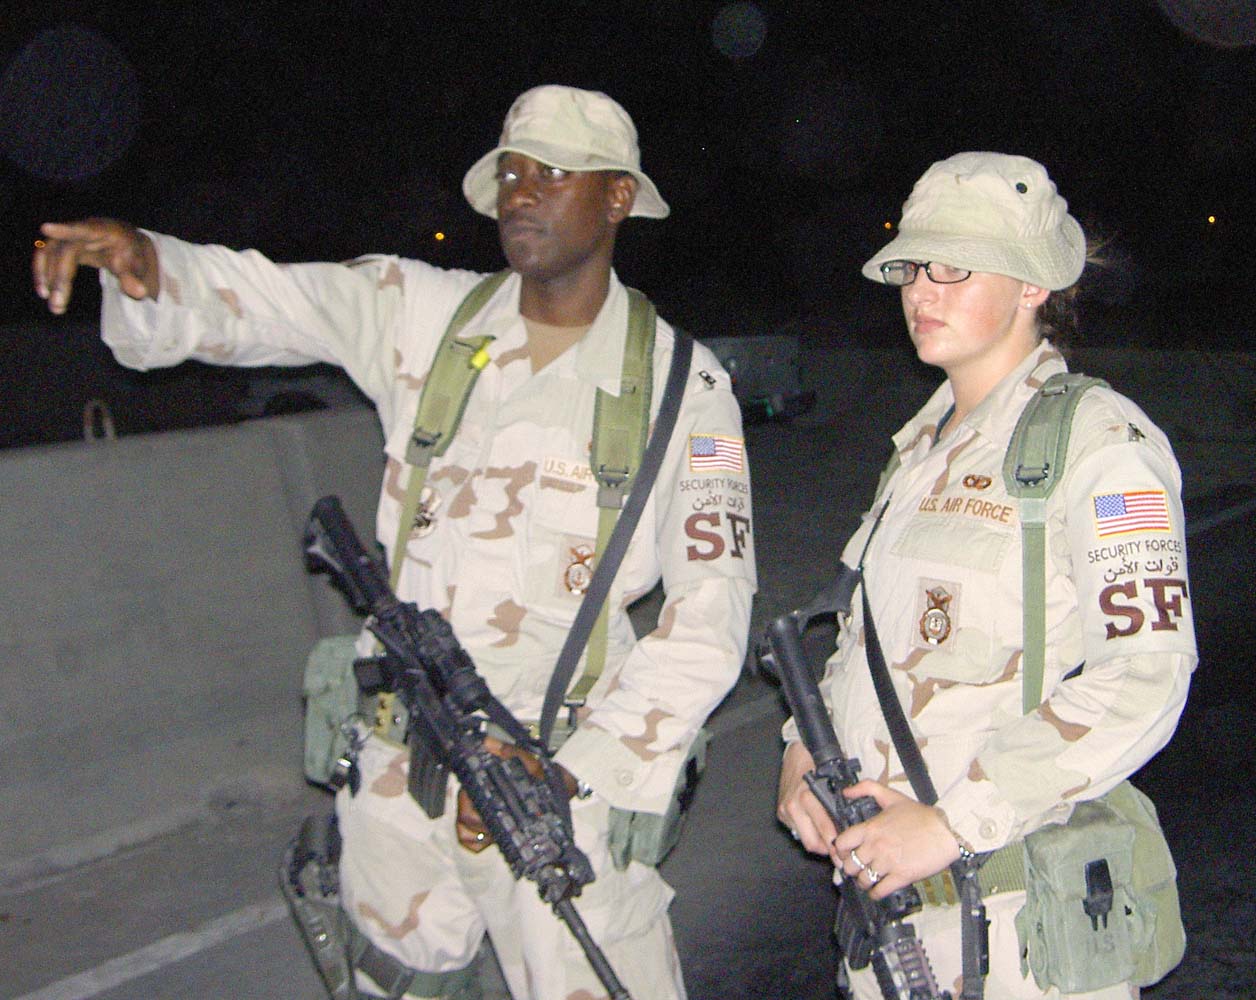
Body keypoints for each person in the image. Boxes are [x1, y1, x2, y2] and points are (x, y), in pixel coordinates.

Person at [34, 84, 756, 1000]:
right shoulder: (426, 315)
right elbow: (278, 298)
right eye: (513, 172)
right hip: (394, 782)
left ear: (618, 197)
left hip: (549, 789)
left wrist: (579, 772)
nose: (523, 192)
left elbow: (711, 615)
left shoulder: (687, 390)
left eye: (555, 174)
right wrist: (149, 267)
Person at [775, 152, 1195, 999]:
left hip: (1013, 932)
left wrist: (950, 825)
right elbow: (869, 642)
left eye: (952, 268)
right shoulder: (921, 449)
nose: (919, 293)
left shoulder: (1096, 442)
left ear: (1034, 284)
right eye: (912, 268)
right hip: (890, 925)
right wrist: (799, 760)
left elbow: (1146, 675)